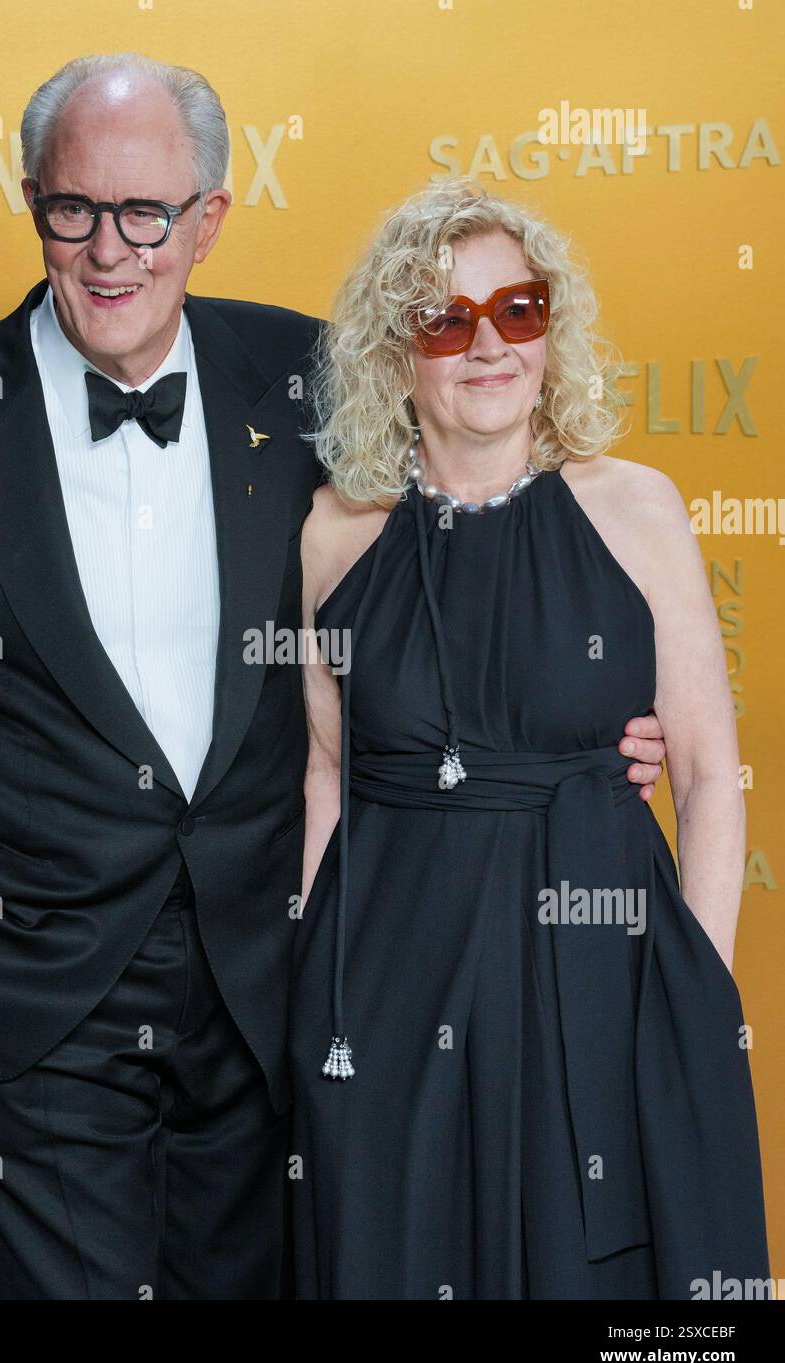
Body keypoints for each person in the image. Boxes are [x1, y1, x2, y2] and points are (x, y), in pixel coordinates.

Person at [0, 54, 667, 1299]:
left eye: (146, 213)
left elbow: (467, 548)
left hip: (281, 972)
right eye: (75, 209)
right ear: (35, 201)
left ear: (208, 219)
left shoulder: (312, 374)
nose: (110, 250)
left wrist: (592, 730)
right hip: (30, 983)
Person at [289, 179, 769, 1299]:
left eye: (518, 308)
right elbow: (326, 777)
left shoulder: (637, 507)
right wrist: (315, 997)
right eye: (445, 320)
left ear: (552, 327)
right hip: (389, 988)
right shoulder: (332, 532)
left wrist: (694, 999)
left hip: (602, 970)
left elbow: (704, 774)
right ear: (392, 352)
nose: (488, 345)